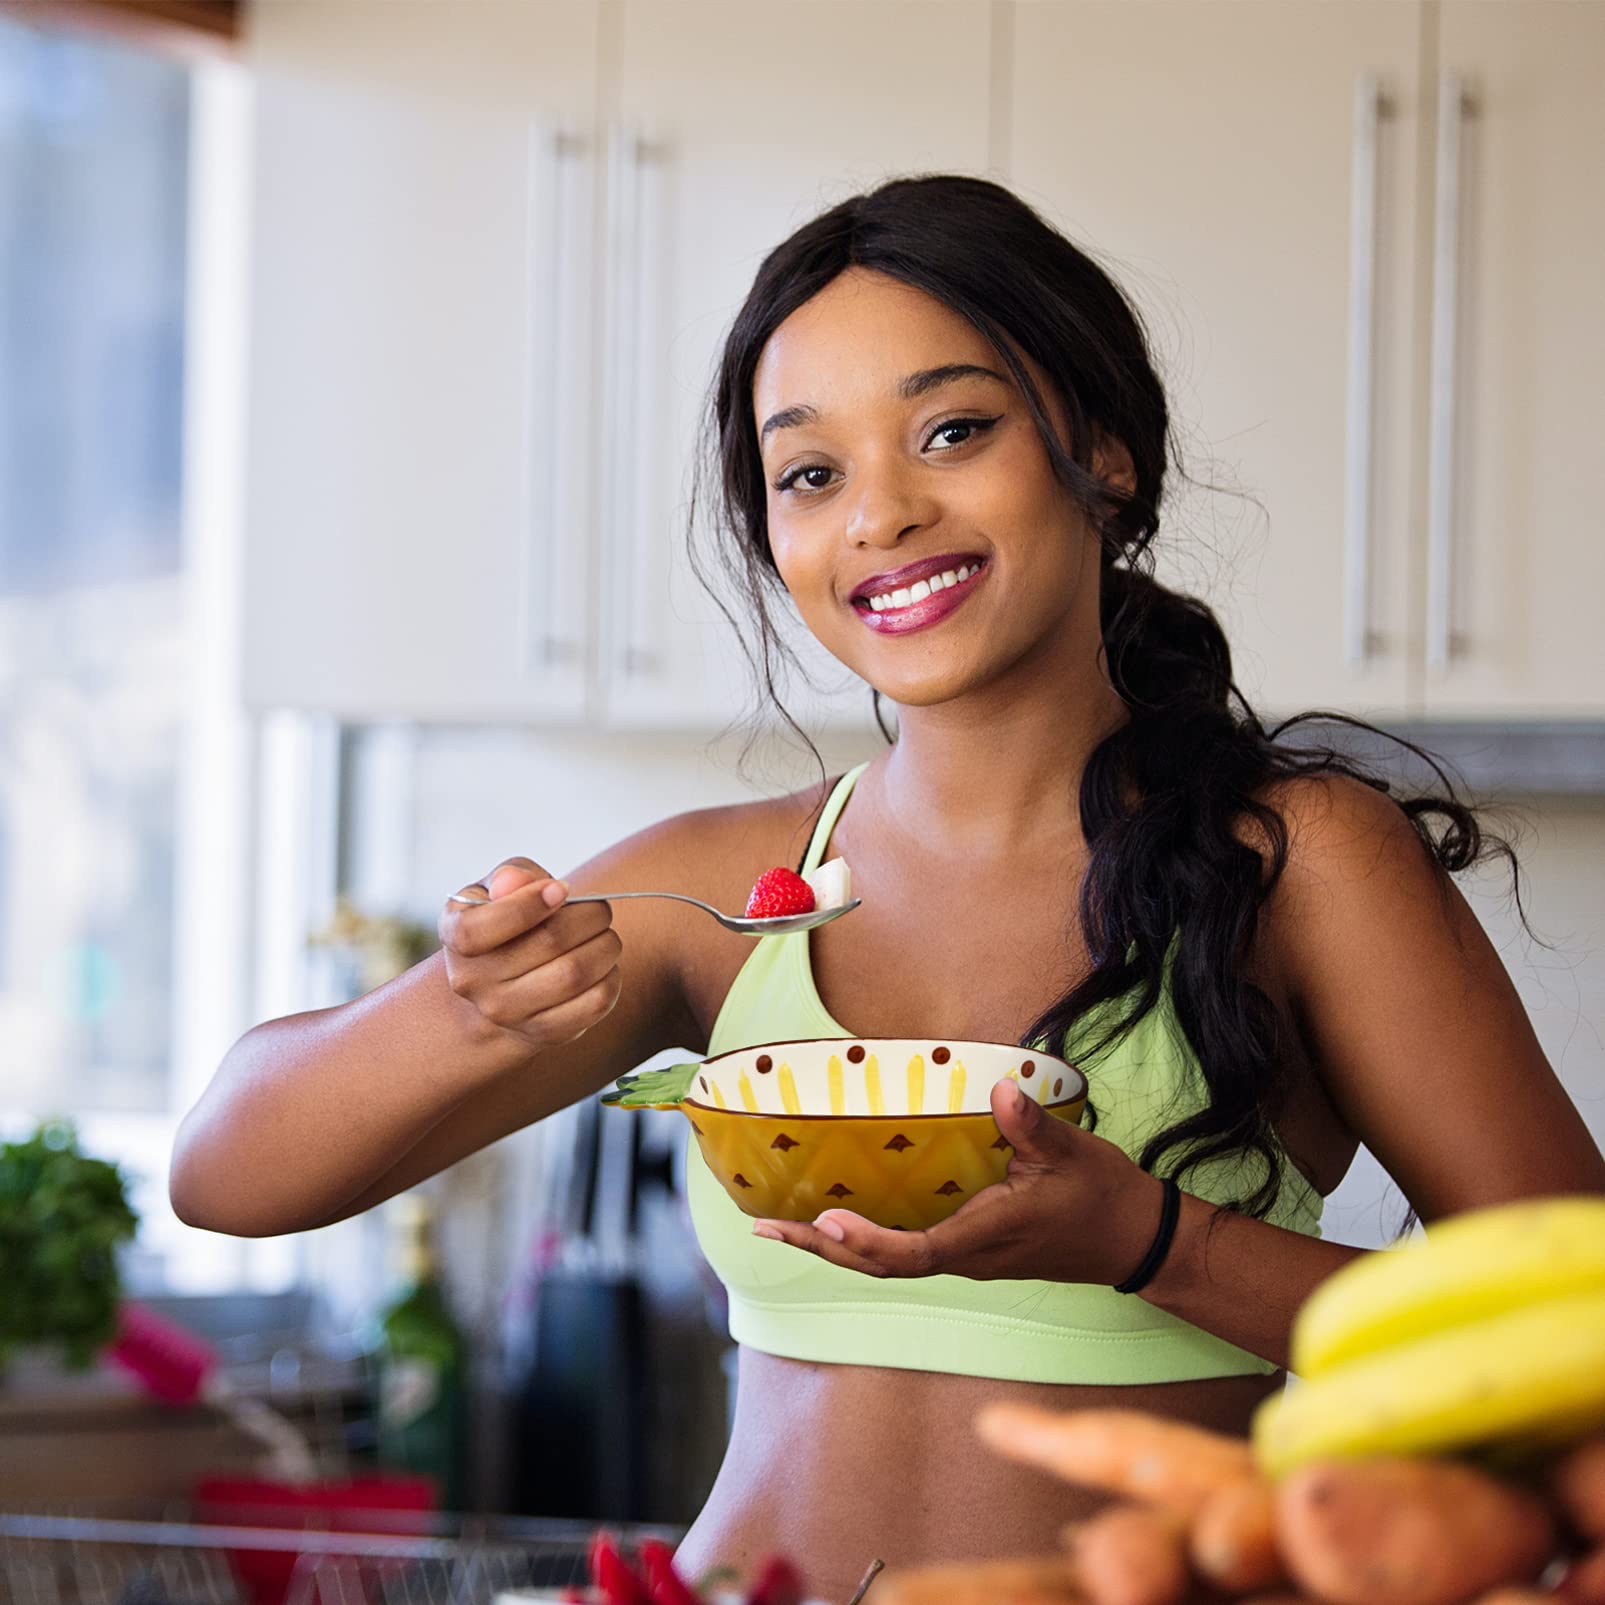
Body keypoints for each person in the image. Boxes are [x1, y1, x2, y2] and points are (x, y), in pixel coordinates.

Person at [170, 175, 1605, 1601]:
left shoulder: (1294, 860)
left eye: (953, 430)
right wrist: (472, 1009)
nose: (882, 514)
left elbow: (1579, 1338)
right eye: (810, 472)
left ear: (1097, 451)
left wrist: (1148, 1239)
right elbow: (228, 1171)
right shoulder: (722, 889)